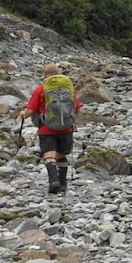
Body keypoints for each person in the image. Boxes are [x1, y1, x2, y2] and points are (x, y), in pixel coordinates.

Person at [17, 63, 81, 194]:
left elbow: (30, 111)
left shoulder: (41, 89)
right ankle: (63, 184)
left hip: (47, 128)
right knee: (61, 154)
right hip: (66, 128)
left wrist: (23, 114)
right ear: (58, 73)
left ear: (45, 75)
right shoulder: (69, 89)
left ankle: (53, 181)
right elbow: (77, 108)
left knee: (49, 155)